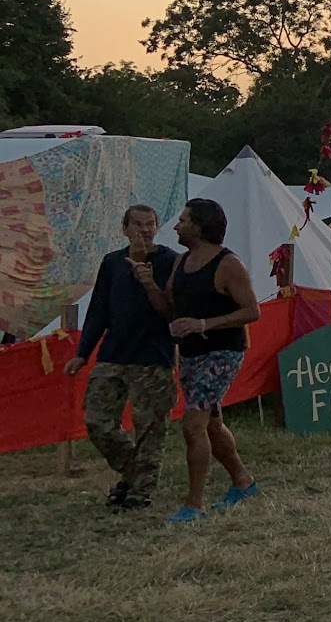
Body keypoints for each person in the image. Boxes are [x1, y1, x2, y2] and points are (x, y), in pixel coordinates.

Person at [147, 197, 262, 524]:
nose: (176, 226)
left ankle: (194, 504)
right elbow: (167, 307)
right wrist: (146, 283)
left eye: (182, 220)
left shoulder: (229, 264)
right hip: (192, 354)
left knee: (193, 424)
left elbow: (252, 311)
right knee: (211, 423)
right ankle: (243, 482)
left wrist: (203, 324)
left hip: (222, 352)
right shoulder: (182, 263)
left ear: (199, 226)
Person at [63, 205, 180, 511]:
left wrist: (148, 280)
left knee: (150, 429)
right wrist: (82, 353)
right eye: (138, 224)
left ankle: (141, 493)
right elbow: (99, 309)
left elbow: (172, 310)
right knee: (97, 420)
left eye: (150, 224)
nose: (144, 230)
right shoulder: (113, 262)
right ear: (124, 228)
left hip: (153, 357)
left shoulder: (169, 261)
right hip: (113, 354)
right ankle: (133, 472)